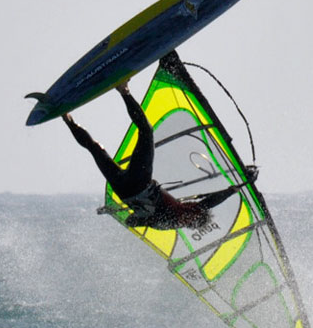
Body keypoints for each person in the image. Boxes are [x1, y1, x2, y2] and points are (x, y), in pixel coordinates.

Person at [57, 84, 254, 234]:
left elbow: (208, 202)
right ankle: (67, 119)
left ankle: (123, 90)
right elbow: (132, 222)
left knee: (146, 131)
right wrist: (124, 211)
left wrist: (235, 188)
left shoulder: (177, 218)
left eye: (193, 215)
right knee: (95, 150)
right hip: (123, 191)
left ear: (192, 221)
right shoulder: (169, 222)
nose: (193, 212)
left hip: (139, 183)